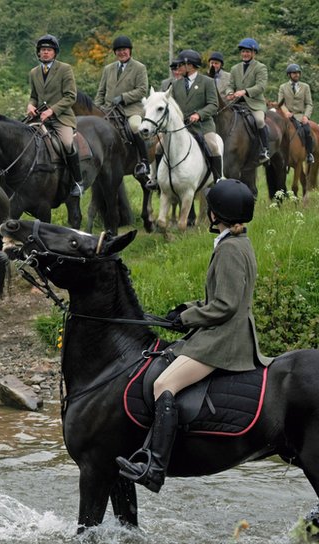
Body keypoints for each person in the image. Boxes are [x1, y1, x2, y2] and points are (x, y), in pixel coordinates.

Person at [116, 179, 271, 493]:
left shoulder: (229, 249)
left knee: (163, 384)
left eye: (210, 208)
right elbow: (221, 298)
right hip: (222, 331)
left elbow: (225, 306)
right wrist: (185, 309)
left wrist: (187, 319)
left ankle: (155, 467)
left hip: (224, 340)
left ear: (216, 214)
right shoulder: (238, 242)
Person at [148, 49, 223, 191]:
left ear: (190, 66)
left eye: (180, 65)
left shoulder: (207, 82)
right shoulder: (175, 84)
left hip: (202, 125)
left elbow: (213, 105)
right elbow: (170, 106)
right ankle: (156, 179)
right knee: (158, 147)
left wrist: (199, 115)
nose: (178, 68)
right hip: (181, 127)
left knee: (213, 146)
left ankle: (217, 178)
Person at [27, 34, 82, 196]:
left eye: (49, 50)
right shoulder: (34, 72)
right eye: (43, 50)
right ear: (39, 52)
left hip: (61, 117)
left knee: (67, 143)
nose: (45, 52)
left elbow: (71, 96)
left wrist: (52, 110)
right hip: (40, 118)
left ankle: (77, 181)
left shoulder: (65, 69)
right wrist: (30, 105)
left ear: (54, 52)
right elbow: (34, 96)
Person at [95, 35, 150, 177]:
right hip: (108, 110)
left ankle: (144, 161)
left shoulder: (139, 67)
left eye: (124, 49)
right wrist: (96, 109)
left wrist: (123, 98)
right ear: (115, 52)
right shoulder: (108, 69)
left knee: (135, 127)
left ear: (130, 51)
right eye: (118, 50)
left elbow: (142, 90)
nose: (122, 52)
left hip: (131, 109)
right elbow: (101, 91)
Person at [225, 38, 270, 162]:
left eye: (248, 52)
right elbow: (230, 85)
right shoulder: (235, 68)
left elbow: (261, 86)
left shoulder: (260, 67)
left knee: (259, 121)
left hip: (254, 103)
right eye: (243, 51)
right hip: (237, 103)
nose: (245, 54)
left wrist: (245, 91)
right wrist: (229, 93)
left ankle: (265, 149)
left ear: (253, 53)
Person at [276, 63, 314, 164]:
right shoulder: (283, 87)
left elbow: (309, 104)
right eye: (294, 73)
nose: (296, 74)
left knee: (307, 130)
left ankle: (309, 154)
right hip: (287, 116)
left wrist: (306, 116)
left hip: (300, 116)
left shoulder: (305, 87)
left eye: (298, 73)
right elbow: (280, 103)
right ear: (289, 74)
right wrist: (286, 112)